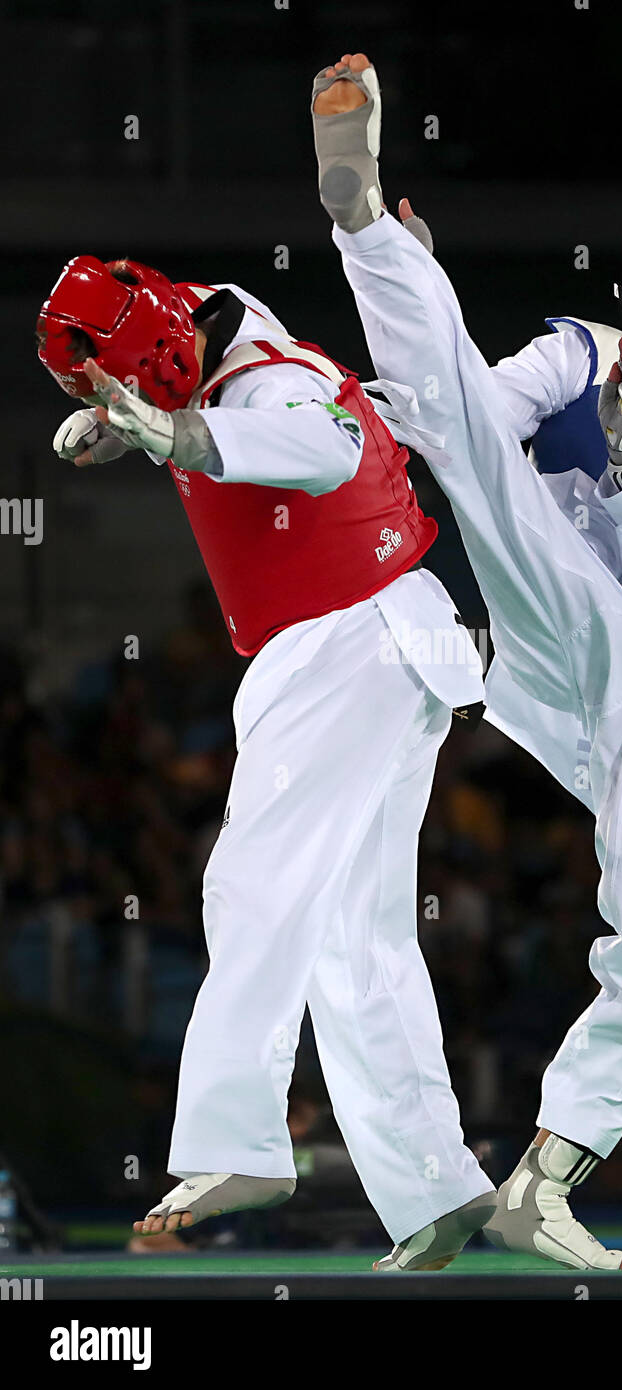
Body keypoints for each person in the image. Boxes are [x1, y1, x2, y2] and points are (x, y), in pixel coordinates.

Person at [311, 52, 622, 1270]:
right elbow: (459, 422)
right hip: (551, 626)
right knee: (473, 444)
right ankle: (363, 222)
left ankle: (542, 1182)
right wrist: (401, 288)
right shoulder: (577, 351)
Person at [37, 252, 498, 1268]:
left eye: (123, 385)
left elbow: (327, 447)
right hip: (386, 637)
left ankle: (236, 1142)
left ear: (164, 362)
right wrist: (130, 427)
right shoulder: (208, 323)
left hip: (342, 641)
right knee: (353, 938)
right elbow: (188, 346)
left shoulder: (268, 388)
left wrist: (182, 433)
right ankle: (435, 1187)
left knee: (252, 885)